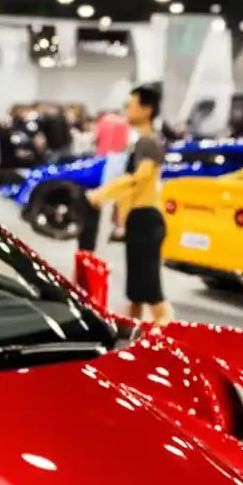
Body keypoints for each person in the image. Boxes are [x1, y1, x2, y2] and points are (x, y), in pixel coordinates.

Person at [86, 85, 172, 325]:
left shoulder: (147, 142)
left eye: (131, 104)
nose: (126, 109)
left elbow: (138, 179)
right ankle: (132, 342)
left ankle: (169, 339)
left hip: (146, 221)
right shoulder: (142, 142)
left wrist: (101, 194)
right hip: (139, 221)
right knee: (136, 294)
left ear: (147, 110)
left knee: (152, 294)